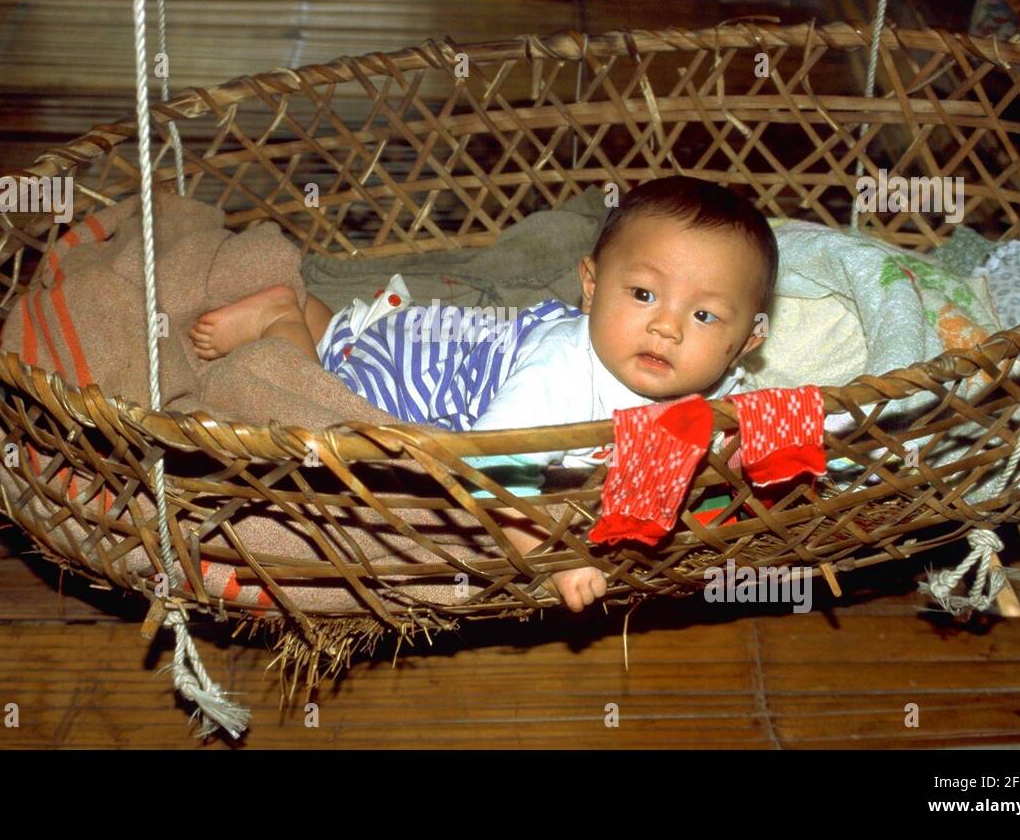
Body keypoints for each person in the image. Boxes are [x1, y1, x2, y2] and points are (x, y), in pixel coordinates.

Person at [189, 176, 779, 612]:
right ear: (591, 285)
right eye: (644, 295)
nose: (667, 327)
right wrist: (553, 559)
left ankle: (319, 316)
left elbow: (744, 425)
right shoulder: (561, 374)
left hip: (435, 335)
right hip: (409, 376)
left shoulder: (710, 380)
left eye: (703, 315)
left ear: (747, 341)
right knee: (321, 399)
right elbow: (491, 472)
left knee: (346, 335)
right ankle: (280, 324)